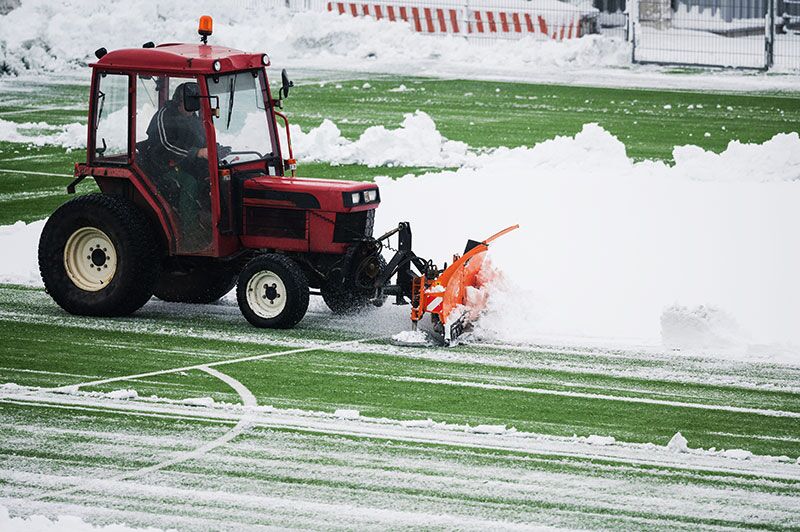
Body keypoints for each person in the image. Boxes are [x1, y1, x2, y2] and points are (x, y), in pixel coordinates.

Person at [139, 81, 211, 252]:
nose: (194, 110)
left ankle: (209, 226)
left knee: (212, 179)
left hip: (184, 163)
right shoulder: (164, 116)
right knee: (189, 184)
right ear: (181, 101)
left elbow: (200, 139)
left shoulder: (192, 118)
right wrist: (197, 153)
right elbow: (166, 146)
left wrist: (215, 148)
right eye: (192, 105)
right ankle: (191, 236)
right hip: (161, 167)